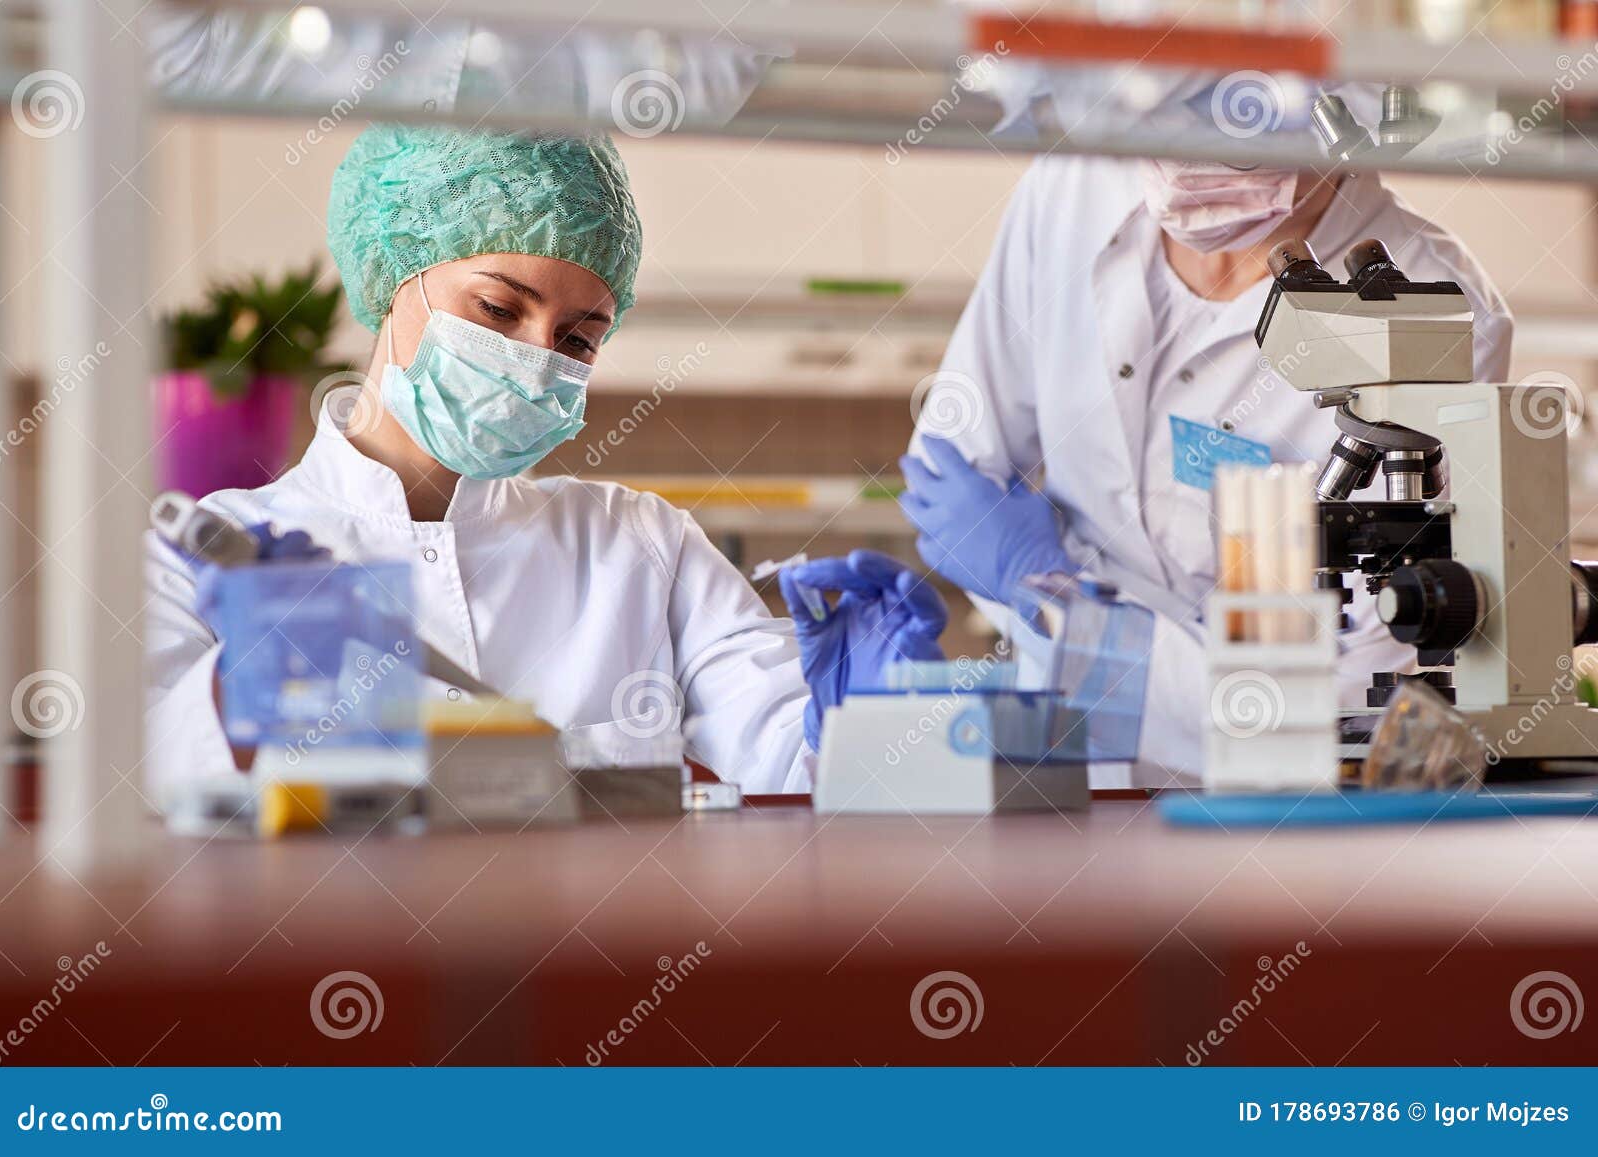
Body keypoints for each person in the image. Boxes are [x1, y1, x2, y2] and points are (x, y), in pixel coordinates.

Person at [144, 124, 943, 805]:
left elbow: (803, 776)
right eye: (498, 308)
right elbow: (123, 805)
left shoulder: (641, 545)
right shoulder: (210, 556)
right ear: (395, 277)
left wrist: (871, 729)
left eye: (578, 339)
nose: (535, 359)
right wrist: (234, 690)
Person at [897, 147, 1511, 787]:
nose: (1201, 135)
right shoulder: (1071, 184)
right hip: (1058, 776)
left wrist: (1047, 591)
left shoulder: (1438, 309)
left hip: (1266, 815)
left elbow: (1348, 703)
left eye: (1243, 111)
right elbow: (954, 489)